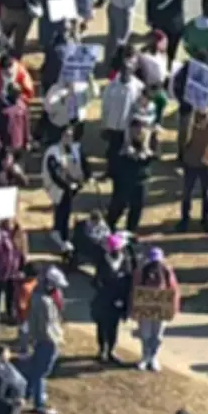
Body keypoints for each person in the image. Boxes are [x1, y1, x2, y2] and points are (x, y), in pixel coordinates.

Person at [177, 107, 208, 233]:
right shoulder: (190, 123)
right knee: (187, 193)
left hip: (207, 164)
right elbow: (183, 141)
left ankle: (206, 220)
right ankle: (184, 220)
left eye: (204, 115)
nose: (201, 117)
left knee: (207, 193)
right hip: (191, 162)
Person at [42, 127, 91, 251]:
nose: (68, 138)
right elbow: (55, 174)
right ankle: (61, 235)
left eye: (71, 136)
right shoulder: (53, 152)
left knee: (64, 208)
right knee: (63, 209)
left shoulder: (76, 148)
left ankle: (58, 230)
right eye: (66, 135)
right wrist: (67, 185)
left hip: (72, 186)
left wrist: (87, 177)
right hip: (58, 187)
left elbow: (84, 164)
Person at [26, 265, 67, 414]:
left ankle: (28, 394)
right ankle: (39, 403)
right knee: (41, 372)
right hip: (47, 341)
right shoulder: (44, 301)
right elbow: (47, 325)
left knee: (36, 369)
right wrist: (55, 340)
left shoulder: (38, 296)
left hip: (41, 339)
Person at [133, 248, 179, 371]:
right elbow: (135, 290)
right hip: (145, 308)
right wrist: (134, 309)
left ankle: (154, 357)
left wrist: (173, 308)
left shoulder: (167, 271)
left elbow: (173, 290)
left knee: (157, 336)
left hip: (161, 307)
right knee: (145, 334)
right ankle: (145, 356)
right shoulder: (141, 271)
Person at [108, 119, 158, 233]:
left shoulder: (149, 139)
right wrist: (125, 154)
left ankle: (131, 231)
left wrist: (148, 153)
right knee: (118, 205)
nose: (139, 130)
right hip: (123, 180)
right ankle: (110, 226)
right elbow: (112, 156)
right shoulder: (121, 139)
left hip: (141, 180)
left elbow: (157, 154)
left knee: (137, 207)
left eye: (142, 127)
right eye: (136, 127)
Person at [100, 47, 144, 171]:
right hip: (113, 126)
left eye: (128, 70)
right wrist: (104, 125)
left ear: (133, 70)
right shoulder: (111, 86)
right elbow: (105, 106)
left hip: (128, 128)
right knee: (112, 151)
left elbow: (140, 109)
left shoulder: (138, 88)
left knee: (126, 153)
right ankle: (110, 171)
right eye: (123, 70)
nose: (125, 72)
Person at [92, 234, 132, 364]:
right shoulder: (102, 260)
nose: (116, 251)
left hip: (118, 301)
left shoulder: (125, 260)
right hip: (103, 300)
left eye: (118, 249)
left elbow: (128, 281)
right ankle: (102, 349)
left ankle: (111, 350)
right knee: (102, 325)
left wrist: (123, 299)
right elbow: (96, 281)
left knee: (113, 326)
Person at [147, 0, 197, 68]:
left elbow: (149, 4)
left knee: (157, 48)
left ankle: (154, 67)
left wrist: (150, 20)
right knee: (171, 52)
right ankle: (168, 68)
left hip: (158, 25)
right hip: (175, 28)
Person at [0, 218, 28, 333]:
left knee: (11, 295)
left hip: (13, 272)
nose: (9, 223)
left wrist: (23, 267)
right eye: (7, 221)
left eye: (11, 221)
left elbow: (23, 252)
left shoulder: (20, 234)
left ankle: (11, 315)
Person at [42, 67, 98, 146]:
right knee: (57, 144)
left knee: (75, 144)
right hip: (60, 124)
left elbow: (94, 94)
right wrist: (61, 100)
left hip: (77, 122)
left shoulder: (82, 88)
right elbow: (48, 108)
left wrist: (91, 80)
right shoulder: (55, 89)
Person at [0, 83, 30, 177]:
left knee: (17, 170)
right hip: (4, 145)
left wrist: (27, 141)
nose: (17, 95)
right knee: (4, 170)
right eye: (15, 93)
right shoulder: (0, 106)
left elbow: (26, 124)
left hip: (18, 145)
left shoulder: (22, 106)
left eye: (18, 93)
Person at [13, 261, 39, 354]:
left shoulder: (25, 287)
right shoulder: (37, 283)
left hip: (26, 316)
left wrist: (21, 318)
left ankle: (24, 351)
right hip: (36, 315)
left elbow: (22, 305)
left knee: (24, 335)